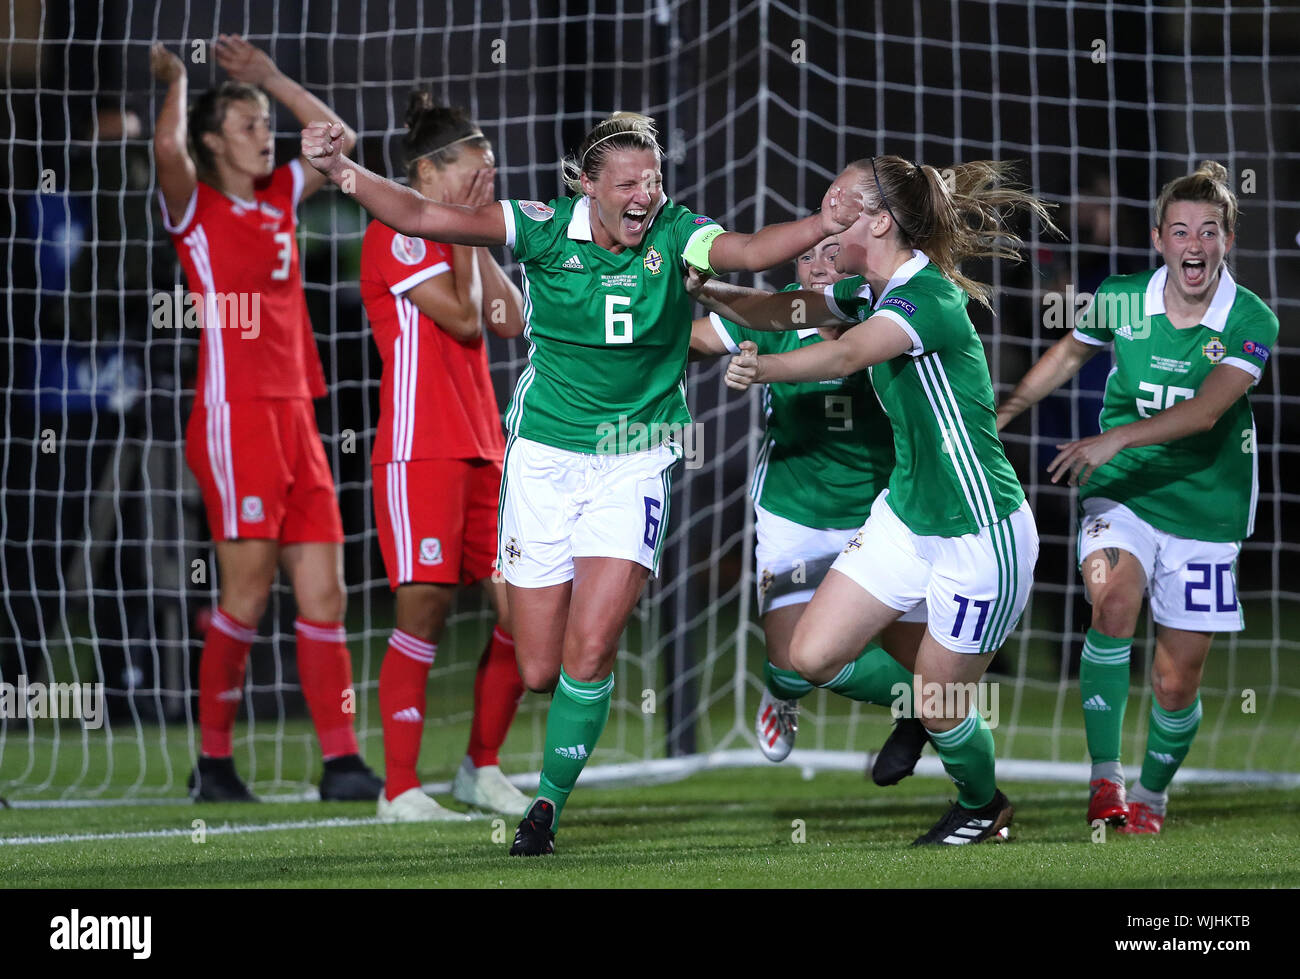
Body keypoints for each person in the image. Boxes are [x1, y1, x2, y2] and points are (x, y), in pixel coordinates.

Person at [301, 109, 864, 854]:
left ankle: (546, 808)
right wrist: (342, 172)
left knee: (591, 650)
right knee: (539, 666)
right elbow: (421, 211)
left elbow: (750, 248)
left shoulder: (676, 230)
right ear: (586, 185)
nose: (644, 195)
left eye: (653, 180)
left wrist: (817, 221)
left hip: (637, 454)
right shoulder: (540, 226)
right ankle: (465, 761)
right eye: (627, 182)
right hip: (544, 458)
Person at [703, 156, 1055, 844]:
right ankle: (923, 713)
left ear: (883, 223)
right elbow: (785, 309)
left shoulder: (925, 298)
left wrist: (763, 365)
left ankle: (983, 803)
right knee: (807, 654)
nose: (831, 213)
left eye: (846, 203)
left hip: (978, 531)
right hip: (905, 514)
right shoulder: (868, 289)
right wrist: (701, 286)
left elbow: (842, 356)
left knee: (942, 698)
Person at [996, 161, 1278, 834]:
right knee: (1113, 599)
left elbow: (1209, 412)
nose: (1195, 244)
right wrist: (1002, 413)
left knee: (1176, 682)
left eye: (1209, 230)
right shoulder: (1123, 297)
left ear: (1226, 241)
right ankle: (1105, 782)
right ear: (1158, 239)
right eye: (1180, 230)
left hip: (1206, 509)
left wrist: (1114, 437)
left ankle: (1150, 795)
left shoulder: (1250, 318)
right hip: (1123, 496)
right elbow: (1067, 355)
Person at [151, 36, 381, 801]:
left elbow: (335, 142)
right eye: (247, 124)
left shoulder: (280, 195)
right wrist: (180, 84)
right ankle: (213, 763)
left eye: (262, 123)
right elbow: (166, 148)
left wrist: (271, 80)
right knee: (246, 594)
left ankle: (342, 761)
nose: (264, 134)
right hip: (234, 416)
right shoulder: (197, 207)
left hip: (297, 417)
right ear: (212, 142)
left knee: (326, 595)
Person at [688, 237, 929, 782]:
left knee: (932, 670)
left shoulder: (888, 316)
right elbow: (685, 341)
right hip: (793, 512)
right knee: (793, 661)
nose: (817, 268)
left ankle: (953, 762)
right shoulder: (772, 316)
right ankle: (783, 694)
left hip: (883, 514)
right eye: (807, 257)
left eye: (832, 255)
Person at [359, 93, 530, 821]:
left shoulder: (464, 236)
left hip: (484, 446)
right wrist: (465, 240)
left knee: (524, 614)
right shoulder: (396, 234)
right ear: (428, 172)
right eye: (474, 167)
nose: (487, 177)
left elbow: (512, 321)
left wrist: (476, 238)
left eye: (492, 167)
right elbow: (463, 319)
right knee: (423, 612)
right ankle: (398, 786)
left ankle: (479, 766)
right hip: (418, 451)